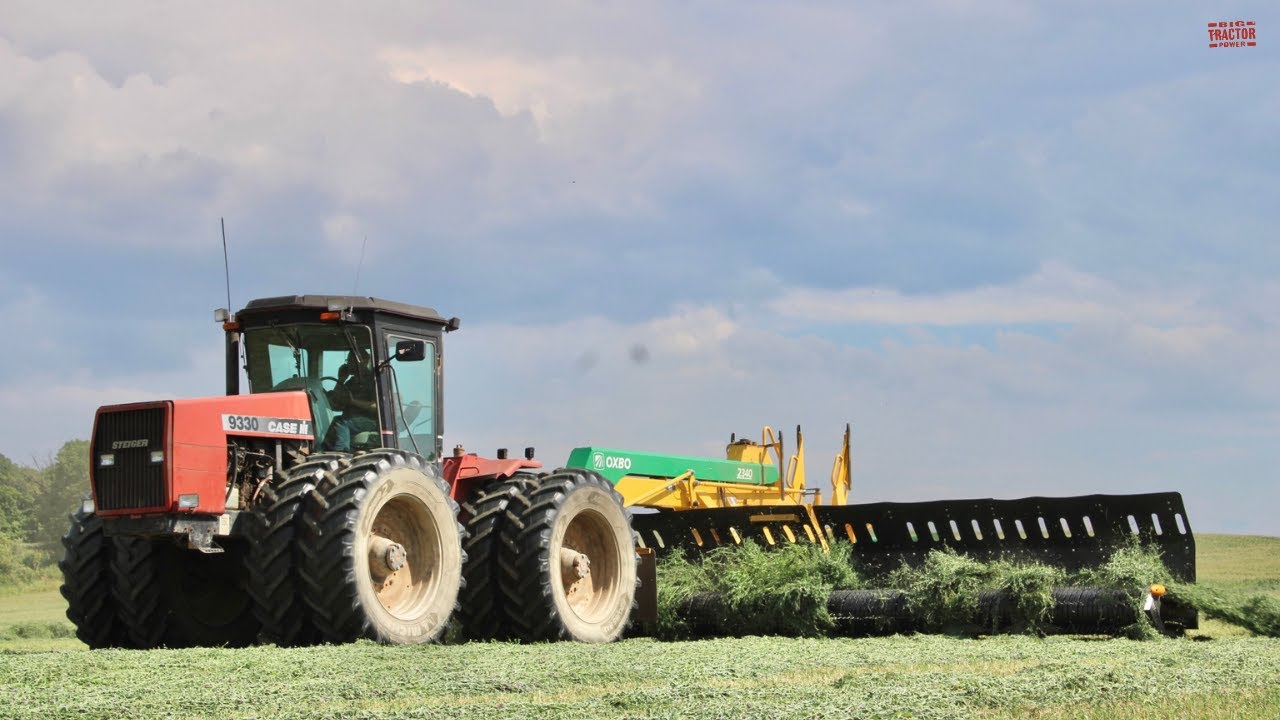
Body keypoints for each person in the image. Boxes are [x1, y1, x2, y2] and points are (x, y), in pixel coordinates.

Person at [324, 351, 380, 452]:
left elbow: (378, 406)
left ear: (363, 361)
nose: (347, 364)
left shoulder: (373, 381)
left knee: (340, 422)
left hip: (372, 421)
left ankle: (341, 452)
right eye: (348, 360)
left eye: (350, 361)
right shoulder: (351, 382)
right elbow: (335, 404)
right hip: (351, 420)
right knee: (335, 422)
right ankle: (321, 451)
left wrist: (353, 402)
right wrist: (341, 380)